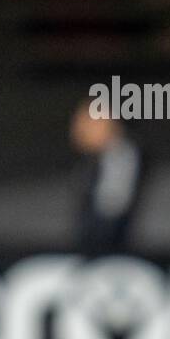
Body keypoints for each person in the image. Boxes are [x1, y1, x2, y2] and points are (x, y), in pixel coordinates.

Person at [70, 105, 144, 253]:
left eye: (90, 124)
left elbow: (112, 206)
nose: (81, 130)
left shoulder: (120, 156)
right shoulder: (95, 159)